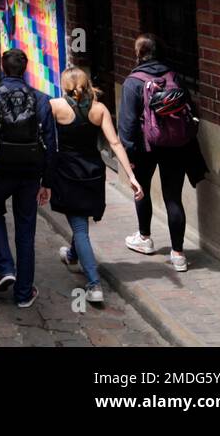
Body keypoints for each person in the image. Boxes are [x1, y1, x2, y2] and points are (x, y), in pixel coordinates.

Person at [0, 48, 57, 309]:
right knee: (26, 232)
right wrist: (47, 182)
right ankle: (24, 293)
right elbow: (51, 145)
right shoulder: (41, 100)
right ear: (25, 69)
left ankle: (6, 265)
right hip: (29, 175)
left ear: (2, 67)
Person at [49, 67, 144, 305]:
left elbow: (44, 138)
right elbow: (115, 143)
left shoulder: (55, 106)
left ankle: (94, 284)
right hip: (92, 172)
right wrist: (131, 176)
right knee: (81, 220)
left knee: (80, 228)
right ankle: (72, 255)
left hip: (68, 172)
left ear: (64, 85)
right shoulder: (99, 109)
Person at [119, 34, 205, 272]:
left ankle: (144, 238)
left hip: (145, 147)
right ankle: (178, 254)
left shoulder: (133, 82)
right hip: (175, 146)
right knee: (173, 197)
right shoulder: (173, 75)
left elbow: (126, 125)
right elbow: (189, 110)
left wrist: (129, 155)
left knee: (141, 189)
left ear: (138, 54)